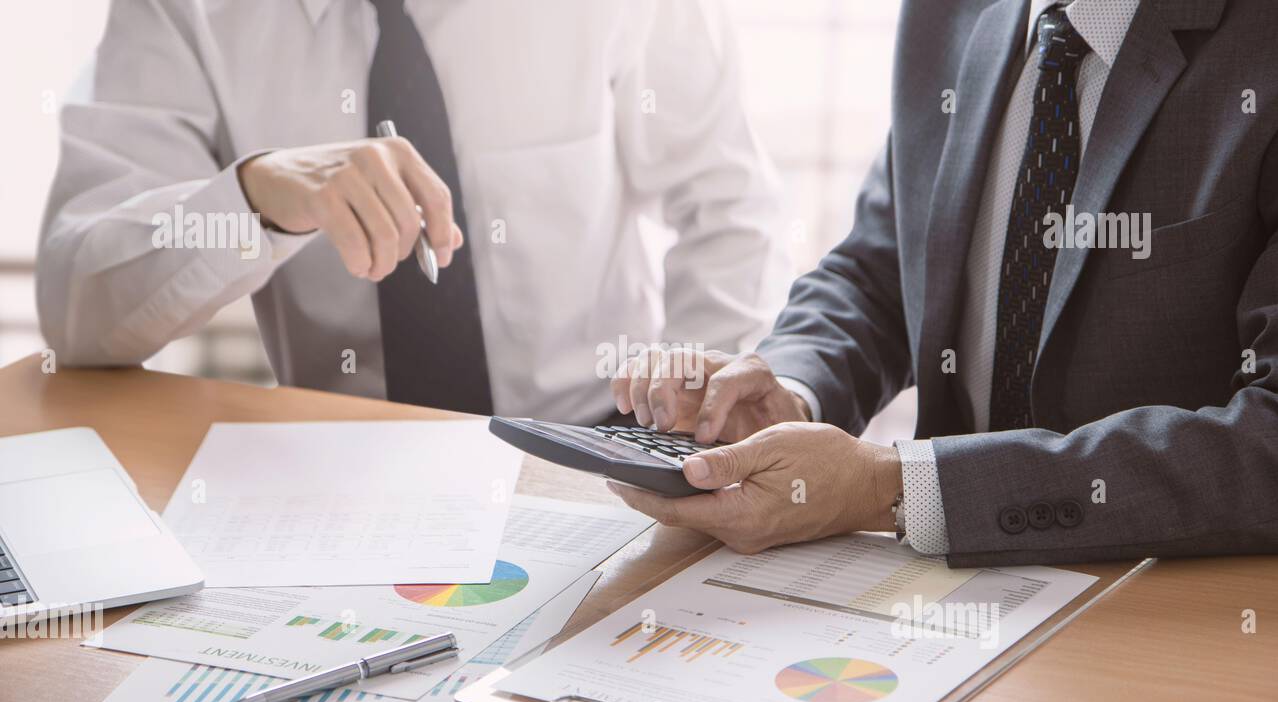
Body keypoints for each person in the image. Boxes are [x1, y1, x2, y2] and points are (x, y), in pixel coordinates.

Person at [610, 0, 1278, 567]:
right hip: (937, 598)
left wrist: (894, 486)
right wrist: (790, 390)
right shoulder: (946, 16)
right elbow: (884, 267)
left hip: (1163, 607)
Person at [36, 0, 786, 423]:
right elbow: (77, 309)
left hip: (597, 439)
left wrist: (692, 419)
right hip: (337, 460)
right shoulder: (183, 11)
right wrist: (252, 197)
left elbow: (730, 209)